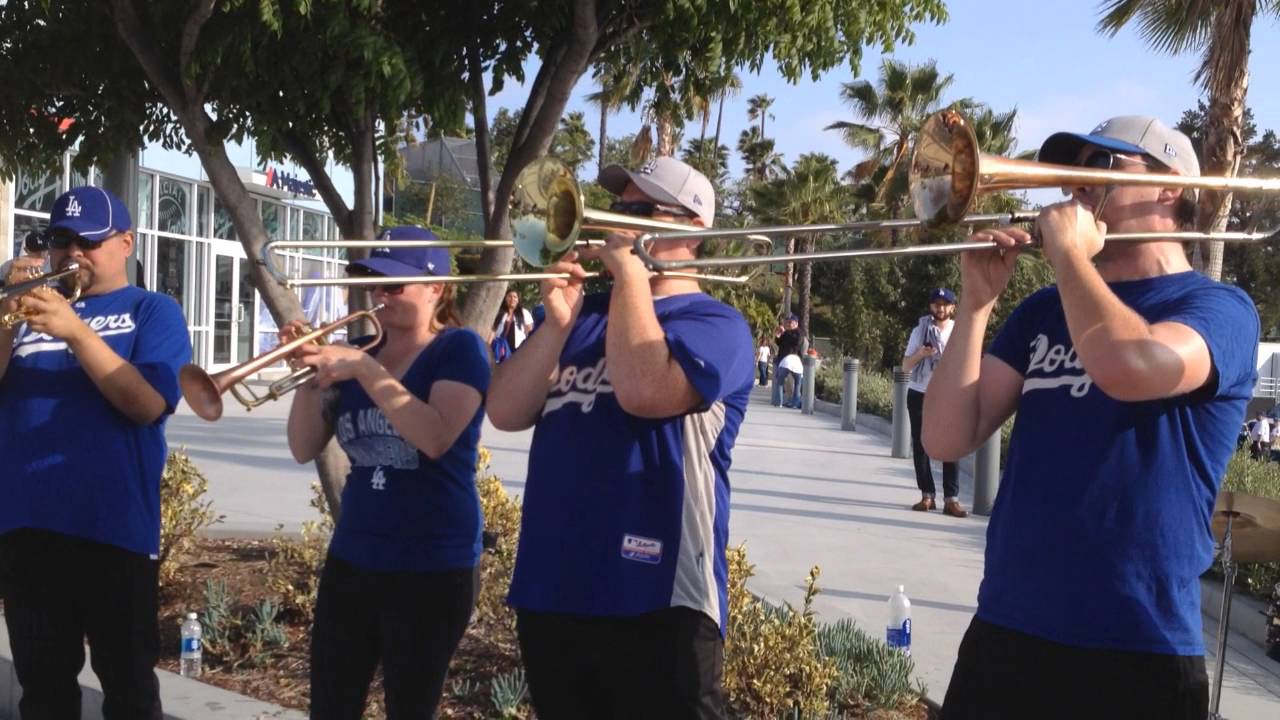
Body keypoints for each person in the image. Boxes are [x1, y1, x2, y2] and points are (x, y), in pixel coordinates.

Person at [923, 116, 1259, 719]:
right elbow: (946, 436)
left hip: (1138, 648)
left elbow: (1130, 366)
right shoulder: (1043, 311)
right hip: (1008, 628)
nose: (1075, 186)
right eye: (1072, 168)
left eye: (1102, 167)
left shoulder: (1219, 309)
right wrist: (974, 308)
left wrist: (1070, 260)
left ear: (1170, 187)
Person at [488, 156, 755, 719]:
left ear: (693, 228)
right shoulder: (584, 317)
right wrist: (557, 325)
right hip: (552, 588)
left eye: (637, 211)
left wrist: (632, 275)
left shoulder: (717, 325)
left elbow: (644, 390)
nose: (615, 223)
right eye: (617, 207)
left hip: (658, 599)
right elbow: (506, 410)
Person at [0, 186, 191, 719]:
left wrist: (73, 329)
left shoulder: (152, 311)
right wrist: (9, 309)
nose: (73, 253)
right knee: (43, 695)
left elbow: (147, 404)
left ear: (125, 243)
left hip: (114, 530)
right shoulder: (23, 314)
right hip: (28, 529)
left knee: (129, 691)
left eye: (89, 240)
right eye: (61, 240)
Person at [283, 232, 489, 719]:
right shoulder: (360, 352)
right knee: (331, 706)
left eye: (396, 284)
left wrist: (362, 369)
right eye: (376, 282)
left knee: (410, 707)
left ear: (436, 288)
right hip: (354, 556)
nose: (381, 295)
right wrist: (311, 377)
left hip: (433, 562)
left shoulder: (459, 349)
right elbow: (302, 445)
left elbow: (436, 437)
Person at [902, 287, 965, 517]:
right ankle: (927, 495)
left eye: (945, 304)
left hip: (948, 393)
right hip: (920, 391)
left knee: (951, 444)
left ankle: (952, 499)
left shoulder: (960, 331)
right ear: (931, 306)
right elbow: (906, 365)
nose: (941, 308)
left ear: (952, 307)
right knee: (921, 445)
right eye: (936, 304)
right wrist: (922, 354)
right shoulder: (920, 330)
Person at [489, 288, 534, 363]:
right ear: (505, 298)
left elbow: (530, 332)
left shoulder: (524, 313)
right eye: (509, 296)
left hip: (518, 349)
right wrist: (488, 346)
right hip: (501, 350)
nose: (512, 299)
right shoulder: (499, 313)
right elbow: (493, 331)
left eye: (515, 297)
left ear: (518, 299)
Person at [772, 314, 801, 407]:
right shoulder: (787, 333)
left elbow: (796, 342)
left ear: (796, 323)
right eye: (787, 322)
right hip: (783, 360)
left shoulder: (798, 332)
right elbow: (779, 343)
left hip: (792, 361)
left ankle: (794, 402)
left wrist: (785, 332)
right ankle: (783, 401)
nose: (788, 324)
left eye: (790, 322)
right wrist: (778, 335)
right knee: (782, 382)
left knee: (793, 382)